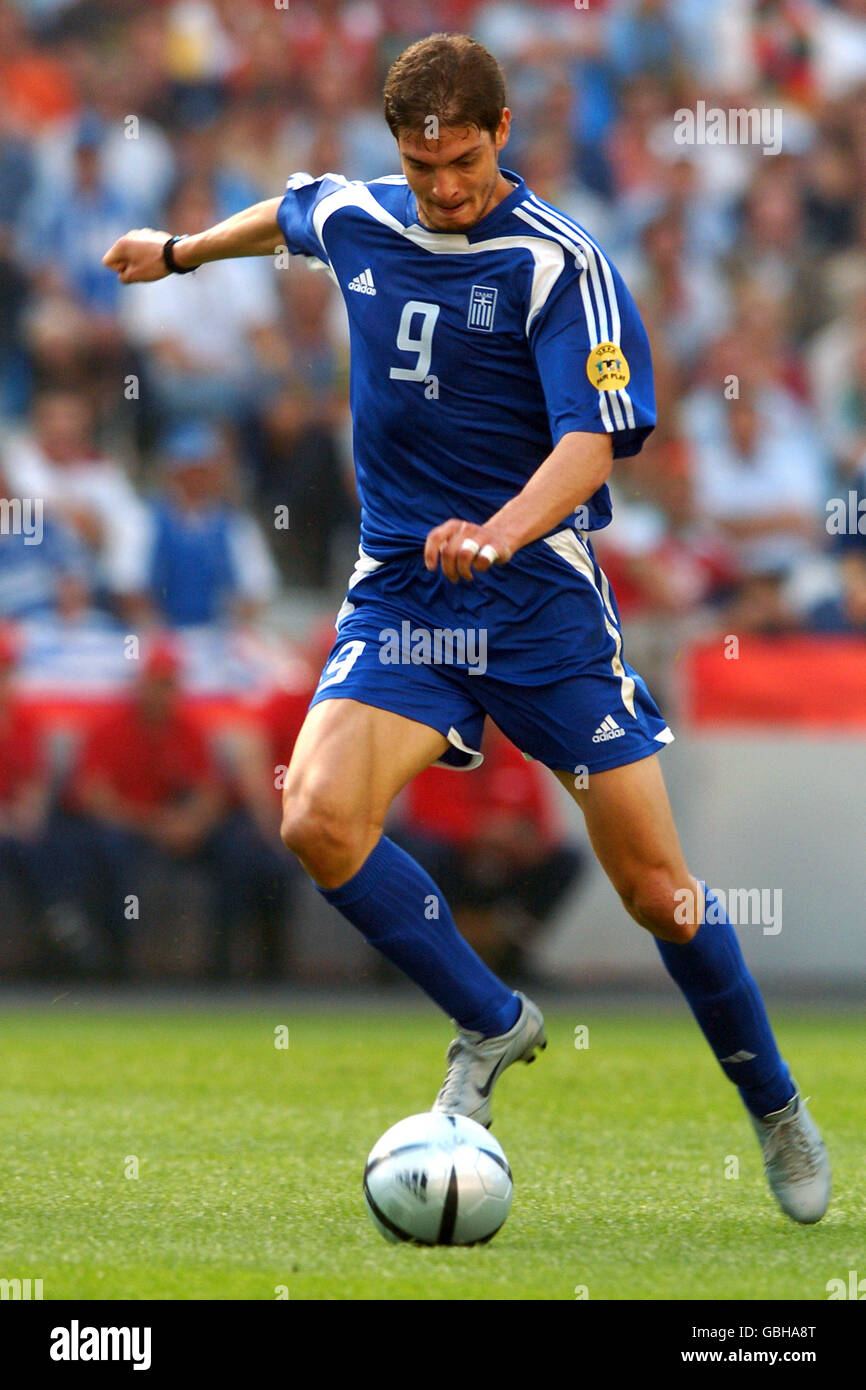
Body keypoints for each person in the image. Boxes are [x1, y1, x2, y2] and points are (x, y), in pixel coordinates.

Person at [104, 33, 830, 1225]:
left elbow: (592, 443)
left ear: (501, 132)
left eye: (461, 160)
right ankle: (492, 1021)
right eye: (420, 163)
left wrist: (497, 528)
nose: (442, 186)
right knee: (316, 817)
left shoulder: (561, 264)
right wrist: (178, 253)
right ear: (398, 149)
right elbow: (289, 213)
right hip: (403, 587)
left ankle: (773, 1105)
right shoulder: (359, 214)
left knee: (659, 893)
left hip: (536, 593)